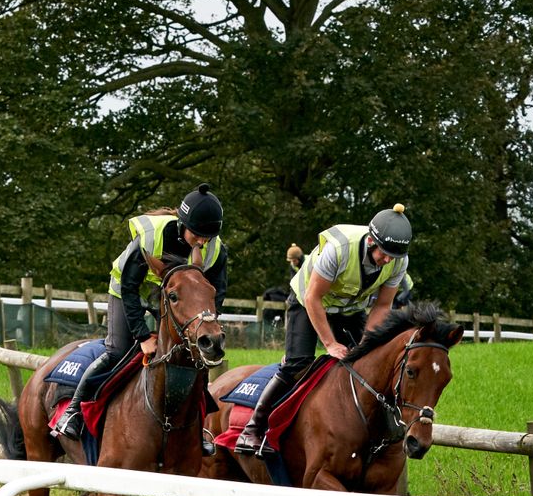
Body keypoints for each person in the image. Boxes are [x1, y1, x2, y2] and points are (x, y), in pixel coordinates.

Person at [51, 184, 229, 437]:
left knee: (194, 358)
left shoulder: (216, 249)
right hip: (128, 292)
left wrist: (205, 324)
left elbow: (216, 292)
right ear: (182, 224)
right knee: (117, 350)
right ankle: (74, 411)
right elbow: (130, 287)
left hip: (175, 299)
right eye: (197, 235)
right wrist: (142, 336)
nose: (202, 242)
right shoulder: (150, 237)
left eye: (207, 237)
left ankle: (198, 429)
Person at [234, 203, 412, 456]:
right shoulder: (339, 250)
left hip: (349, 309)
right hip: (309, 302)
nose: (387, 261)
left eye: (392, 257)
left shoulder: (398, 260)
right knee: (298, 363)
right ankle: (253, 428)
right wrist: (330, 344)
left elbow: (383, 305)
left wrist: (366, 343)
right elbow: (313, 298)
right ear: (371, 240)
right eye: (383, 254)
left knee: (367, 364)